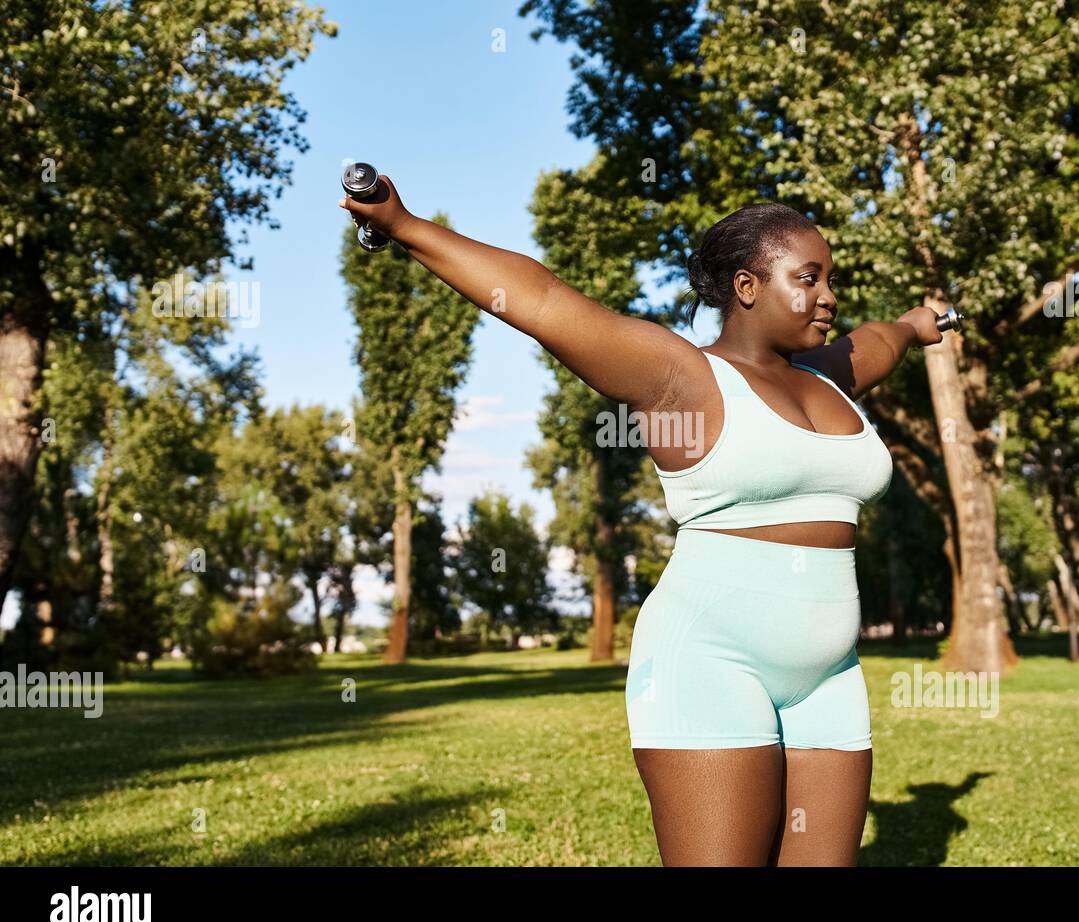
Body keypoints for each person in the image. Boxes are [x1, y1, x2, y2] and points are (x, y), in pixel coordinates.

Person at [339, 181, 945, 866]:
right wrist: (406, 225)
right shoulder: (681, 378)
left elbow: (883, 340)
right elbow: (541, 303)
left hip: (830, 676)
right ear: (747, 286)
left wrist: (921, 324)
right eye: (809, 279)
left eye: (830, 279)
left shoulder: (829, 377)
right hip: (713, 662)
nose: (828, 295)